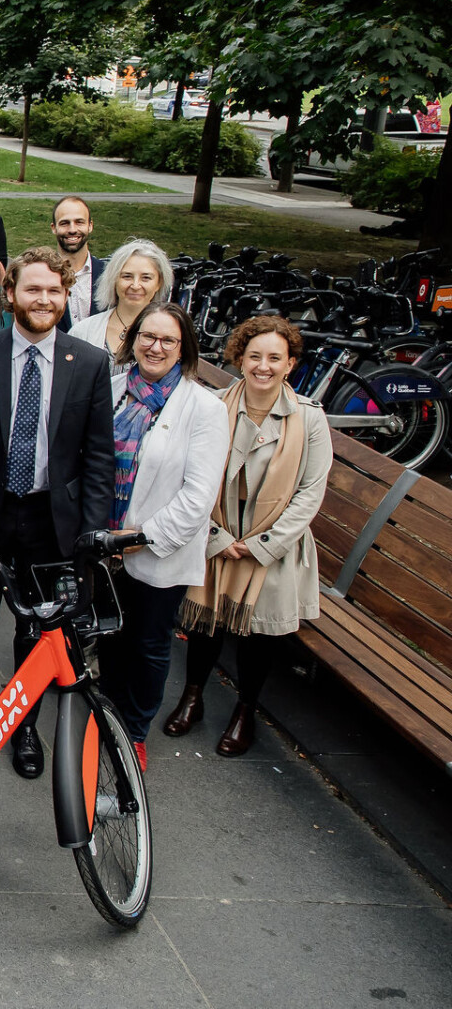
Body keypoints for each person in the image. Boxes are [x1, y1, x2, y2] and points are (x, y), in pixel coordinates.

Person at [0, 249, 116, 778]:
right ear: (10, 293)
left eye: (54, 291)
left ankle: (24, 725)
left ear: (66, 297)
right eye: (33, 289)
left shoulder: (89, 363)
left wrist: (90, 535)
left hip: (50, 520)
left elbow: (98, 457)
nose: (44, 300)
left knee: (36, 632)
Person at [166, 315, 333, 756]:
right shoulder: (213, 406)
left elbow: (310, 492)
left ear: (290, 364)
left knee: (259, 633)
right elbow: (188, 476)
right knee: (204, 623)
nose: (263, 366)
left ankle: (245, 710)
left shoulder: (309, 419)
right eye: (254, 356)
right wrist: (216, 536)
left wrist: (264, 546)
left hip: (273, 545)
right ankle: (193, 696)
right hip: (216, 533)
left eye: (275, 358)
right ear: (239, 359)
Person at [95, 302, 228, 764]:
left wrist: (138, 538)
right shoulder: (112, 391)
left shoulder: (205, 409)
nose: (155, 347)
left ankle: (134, 731)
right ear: (133, 340)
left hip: (157, 551)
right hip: (104, 546)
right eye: (147, 336)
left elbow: (199, 497)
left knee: (148, 644)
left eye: (168, 339)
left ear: (183, 348)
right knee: (110, 636)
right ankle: (107, 716)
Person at [70, 239, 173, 356]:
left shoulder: (173, 333)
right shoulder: (82, 332)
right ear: (114, 280)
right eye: (127, 276)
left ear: (159, 283)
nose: (135, 286)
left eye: (146, 278)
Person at [52, 196, 107, 330]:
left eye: (79, 222)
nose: (72, 229)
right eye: (64, 223)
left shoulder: (108, 274)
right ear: (54, 228)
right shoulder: (43, 275)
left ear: (90, 226)